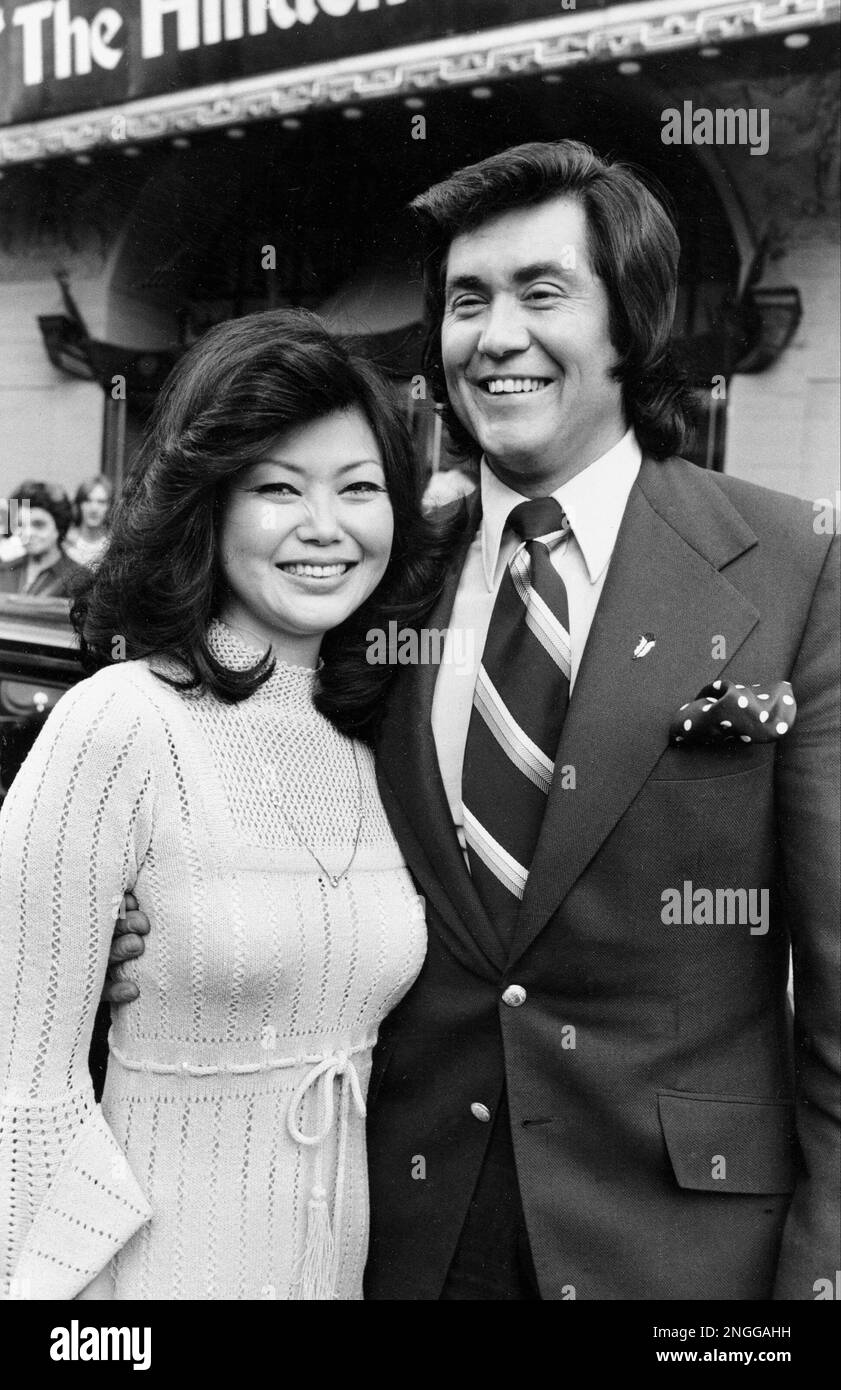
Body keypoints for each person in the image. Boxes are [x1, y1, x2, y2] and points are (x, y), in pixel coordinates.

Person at [107, 141, 838, 1301]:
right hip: (397, 1227)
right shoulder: (379, 574)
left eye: (540, 292)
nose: (494, 336)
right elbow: (261, 792)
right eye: (463, 300)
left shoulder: (791, 565)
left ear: (629, 320)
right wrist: (140, 931)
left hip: (687, 1253)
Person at [0, 308, 453, 1300]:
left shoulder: (385, 735)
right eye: (277, 489)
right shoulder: (118, 722)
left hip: (336, 1268)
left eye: (359, 489)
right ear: (206, 506)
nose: (323, 527)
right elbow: (22, 1087)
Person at [0, 482, 86, 598]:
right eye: (20, 525)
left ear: (59, 527)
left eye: (39, 524)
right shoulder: (4, 570)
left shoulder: (80, 579)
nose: (28, 533)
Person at [65, 475, 113, 568]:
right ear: (79, 505)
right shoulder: (65, 543)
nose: (94, 508)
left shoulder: (113, 547)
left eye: (101, 502)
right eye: (88, 501)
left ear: (109, 506)